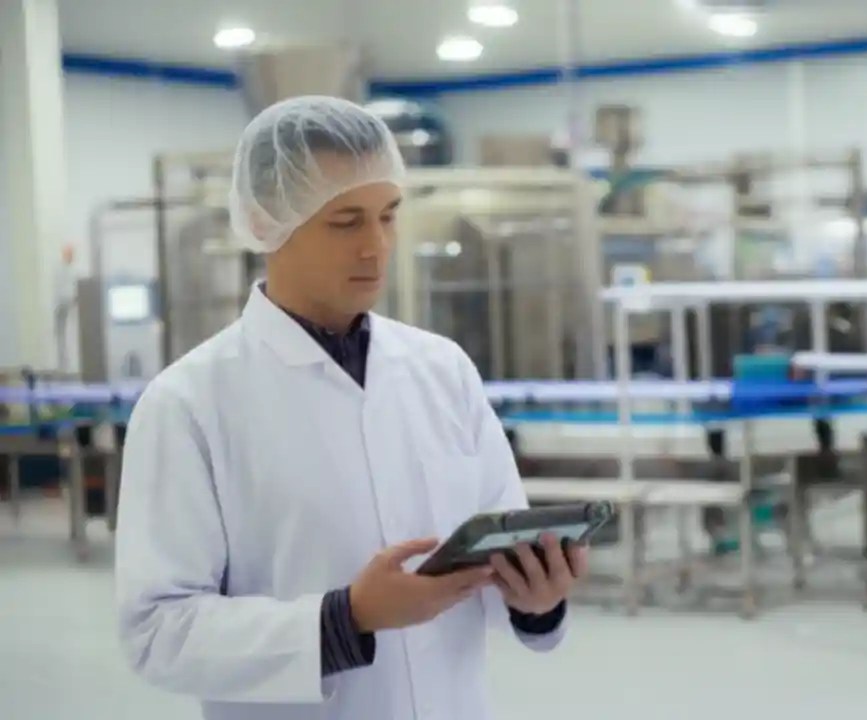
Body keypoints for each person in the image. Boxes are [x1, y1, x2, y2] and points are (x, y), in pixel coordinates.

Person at [114, 95, 587, 720]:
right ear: (267, 223)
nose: (378, 245)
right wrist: (346, 619)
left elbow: (496, 558)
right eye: (346, 222)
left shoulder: (442, 370)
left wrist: (537, 598)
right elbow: (157, 630)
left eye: (389, 215)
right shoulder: (190, 404)